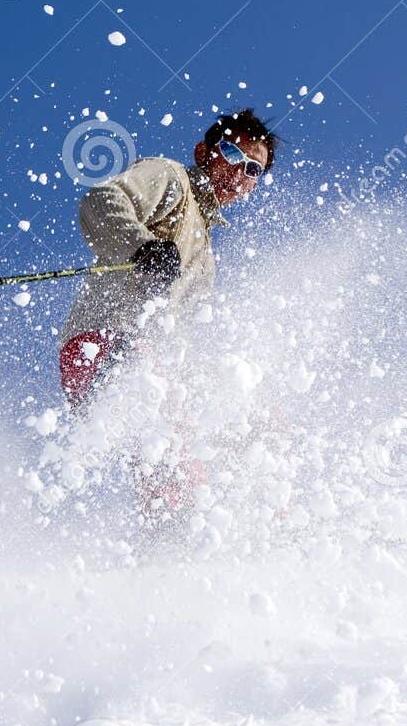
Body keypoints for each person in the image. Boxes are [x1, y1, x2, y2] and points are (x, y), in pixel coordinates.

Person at [58, 108, 277, 524]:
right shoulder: (172, 178)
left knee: (200, 461)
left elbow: (183, 339)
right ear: (204, 152)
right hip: (105, 341)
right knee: (173, 453)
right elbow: (101, 201)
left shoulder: (205, 258)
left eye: (253, 169)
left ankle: (173, 541)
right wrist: (141, 247)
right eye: (233, 154)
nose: (240, 172)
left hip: (148, 366)